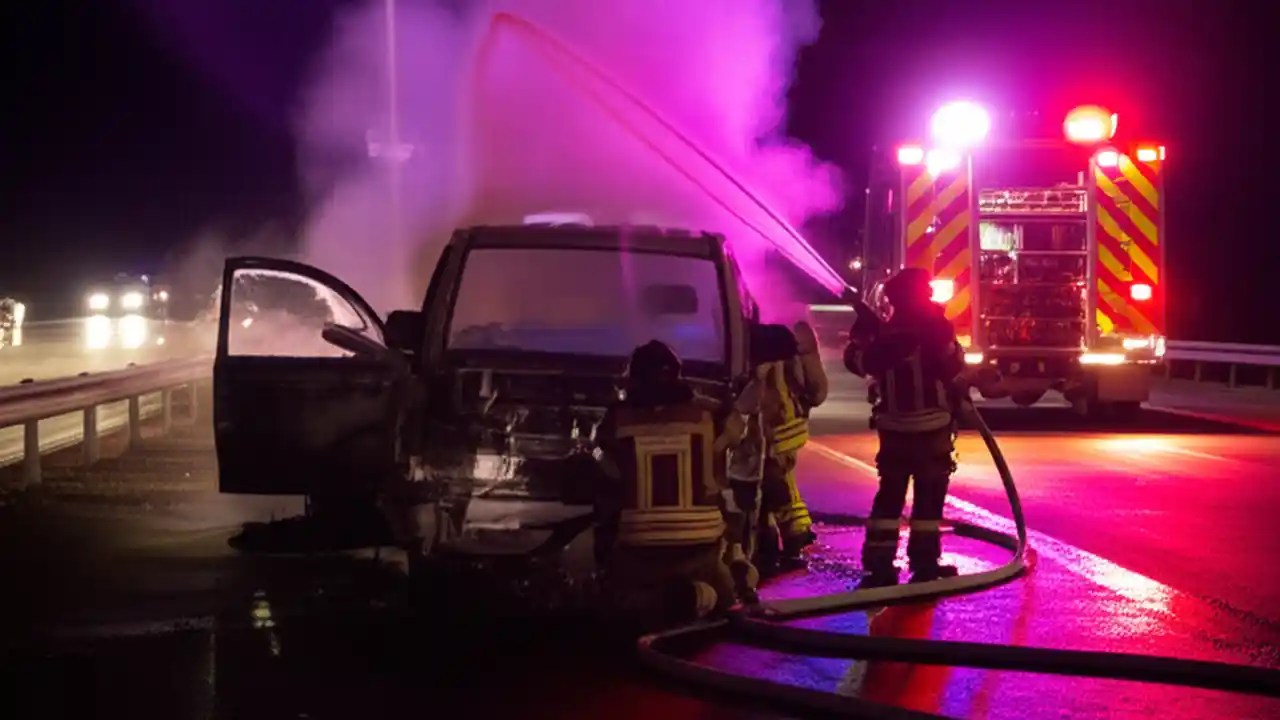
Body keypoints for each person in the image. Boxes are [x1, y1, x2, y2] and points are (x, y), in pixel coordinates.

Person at [593, 340, 756, 623]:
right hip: (703, 541)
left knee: (616, 598)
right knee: (729, 601)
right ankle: (727, 580)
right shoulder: (711, 414)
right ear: (678, 374)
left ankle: (679, 599)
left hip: (639, 544)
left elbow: (607, 471)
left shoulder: (616, 420)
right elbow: (736, 435)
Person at [844, 268, 966, 586]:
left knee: (890, 495)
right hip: (933, 426)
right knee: (929, 495)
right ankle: (924, 563)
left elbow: (858, 363)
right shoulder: (937, 327)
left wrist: (866, 336)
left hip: (894, 429)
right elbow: (951, 367)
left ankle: (879, 563)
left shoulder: (886, 331)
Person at [751, 321, 829, 575]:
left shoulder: (752, 351)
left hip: (765, 434)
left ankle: (785, 542)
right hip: (789, 429)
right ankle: (790, 539)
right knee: (780, 483)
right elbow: (817, 392)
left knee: (773, 487)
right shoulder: (794, 349)